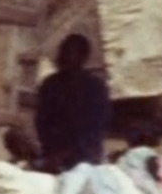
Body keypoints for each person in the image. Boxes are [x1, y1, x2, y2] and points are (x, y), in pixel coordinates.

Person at [35, 33, 111, 174]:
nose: (65, 57)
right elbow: (42, 122)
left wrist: (71, 153)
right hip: (53, 153)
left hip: (86, 156)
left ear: (84, 57)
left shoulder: (96, 87)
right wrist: (52, 152)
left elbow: (97, 125)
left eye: (71, 53)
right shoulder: (50, 85)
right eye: (64, 52)